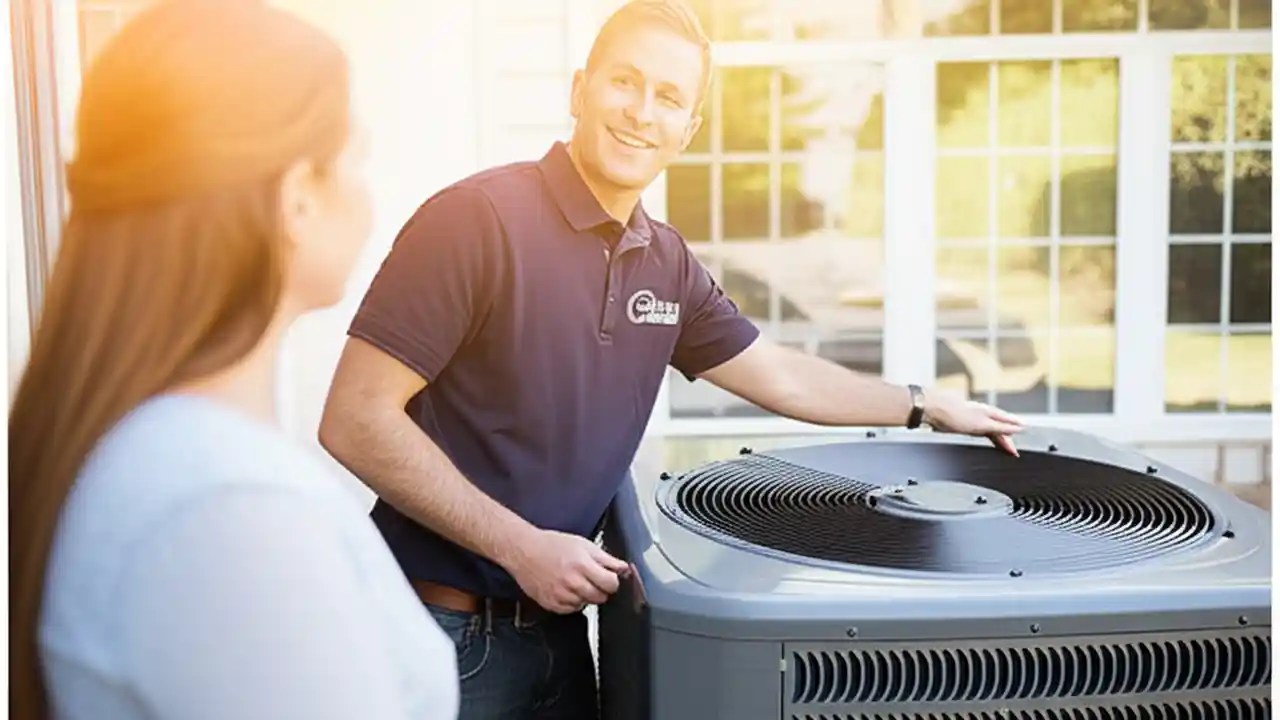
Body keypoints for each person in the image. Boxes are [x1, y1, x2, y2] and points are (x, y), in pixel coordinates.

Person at [318, 0, 1024, 717]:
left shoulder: (666, 263)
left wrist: (922, 403)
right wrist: (522, 547)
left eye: (667, 98)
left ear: (686, 131)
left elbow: (777, 374)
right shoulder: (476, 221)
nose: (639, 112)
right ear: (579, 90)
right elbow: (354, 419)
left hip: (562, 636)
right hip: (440, 630)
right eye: (625, 82)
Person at [8, 2, 459, 719]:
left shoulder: (171, 460)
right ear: (297, 201)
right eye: (356, 160)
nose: (369, 197)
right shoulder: (225, 512)